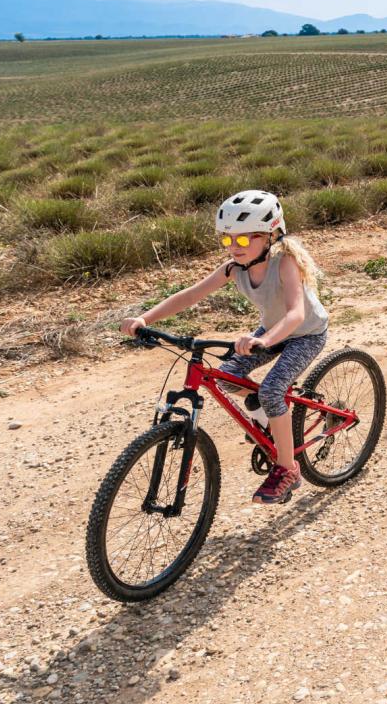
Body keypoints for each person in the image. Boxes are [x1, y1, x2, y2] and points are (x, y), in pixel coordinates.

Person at [120, 190, 329, 505]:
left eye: (244, 240)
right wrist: (144, 318)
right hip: (272, 331)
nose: (234, 247)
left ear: (271, 235)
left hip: (304, 333)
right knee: (224, 377)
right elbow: (190, 295)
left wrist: (264, 340)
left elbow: (296, 314)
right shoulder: (234, 268)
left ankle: (287, 469)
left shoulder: (284, 262)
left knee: (273, 390)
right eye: (228, 240)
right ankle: (268, 422)